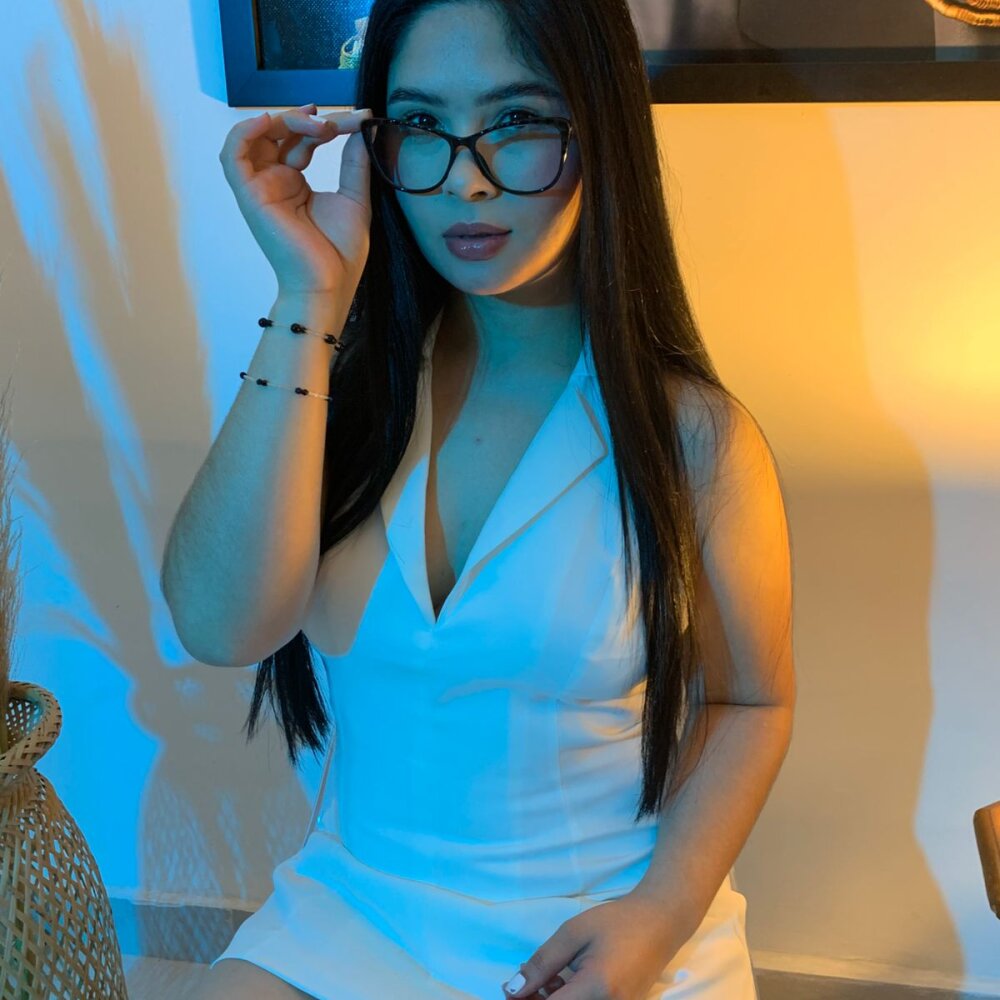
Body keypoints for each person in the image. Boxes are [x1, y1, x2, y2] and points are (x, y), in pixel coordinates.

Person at [164, 0, 795, 997]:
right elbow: (218, 628)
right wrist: (308, 293)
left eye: (517, 120)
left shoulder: (695, 437)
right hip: (356, 908)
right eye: (422, 123)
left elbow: (751, 698)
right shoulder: (337, 392)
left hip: (607, 922)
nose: (466, 179)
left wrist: (662, 912)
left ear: (599, 128)